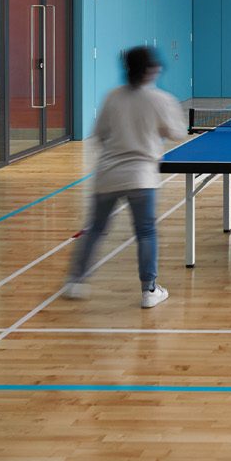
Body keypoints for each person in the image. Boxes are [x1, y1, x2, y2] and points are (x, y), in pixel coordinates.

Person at [63, 45, 187, 308]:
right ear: (150, 70)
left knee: (96, 230)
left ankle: (75, 281)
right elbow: (178, 132)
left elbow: (100, 134)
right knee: (145, 233)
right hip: (141, 177)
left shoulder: (112, 96)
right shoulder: (161, 100)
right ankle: (149, 291)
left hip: (108, 174)